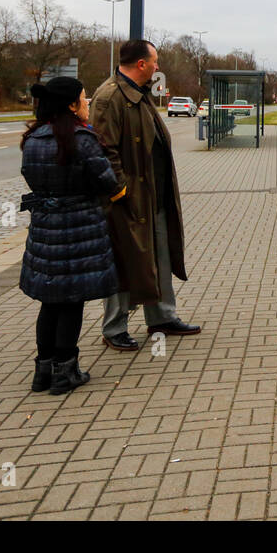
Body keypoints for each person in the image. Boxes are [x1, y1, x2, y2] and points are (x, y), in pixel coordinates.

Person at [19, 77, 124, 395]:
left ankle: (43, 371)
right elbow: (109, 183)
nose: (88, 102)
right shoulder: (81, 139)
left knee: (49, 301)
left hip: (45, 229)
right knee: (71, 301)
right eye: (84, 97)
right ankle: (66, 371)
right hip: (78, 229)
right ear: (71, 104)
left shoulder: (34, 137)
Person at [91, 39, 198, 351]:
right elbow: (102, 149)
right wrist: (120, 189)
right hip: (127, 199)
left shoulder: (138, 94)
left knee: (159, 256)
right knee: (126, 261)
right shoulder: (110, 97)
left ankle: (162, 317)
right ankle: (114, 328)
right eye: (155, 61)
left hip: (153, 196)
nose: (157, 67)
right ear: (141, 64)